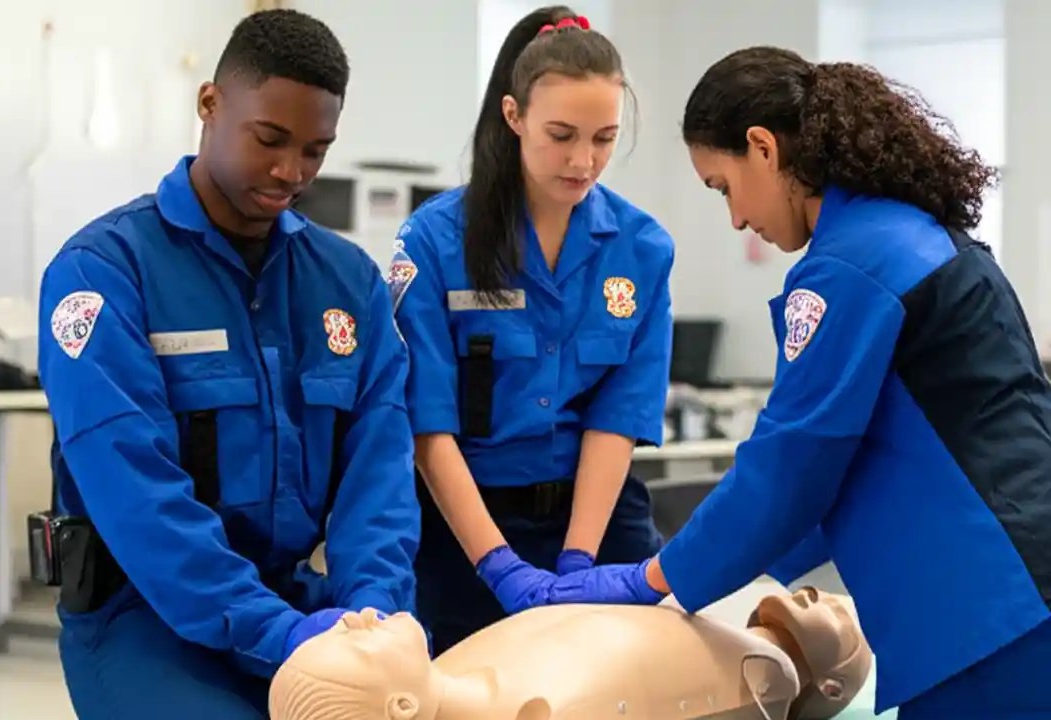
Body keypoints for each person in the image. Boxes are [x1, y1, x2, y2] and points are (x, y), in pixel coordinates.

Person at [582, 46, 1051, 719]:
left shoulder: (849, 266)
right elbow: (852, 464)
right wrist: (750, 579)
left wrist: (652, 577)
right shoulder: (915, 235)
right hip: (1015, 591)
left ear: (763, 149)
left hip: (987, 607)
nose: (736, 218)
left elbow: (790, 467)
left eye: (723, 187)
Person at [37, 10, 419, 719]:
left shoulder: (348, 284)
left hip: (300, 605)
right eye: (269, 140)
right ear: (210, 104)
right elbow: (135, 492)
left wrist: (373, 621)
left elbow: (380, 477)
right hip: (145, 618)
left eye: (315, 150)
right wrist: (279, 635)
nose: (290, 173)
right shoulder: (104, 273)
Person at [391, 5, 675, 655]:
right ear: (514, 117)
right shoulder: (434, 241)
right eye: (561, 134)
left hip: (596, 512)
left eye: (604, 138)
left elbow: (616, 418)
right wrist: (500, 567)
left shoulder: (643, 248)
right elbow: (427, 424)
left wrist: (579, 558)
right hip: (469, 523)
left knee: (647, 675)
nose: (583, 160)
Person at [266, 587, 872, 720]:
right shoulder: (554, 708)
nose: (351, 617)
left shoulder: (452, 670)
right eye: (353, 646)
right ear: (401, 705)